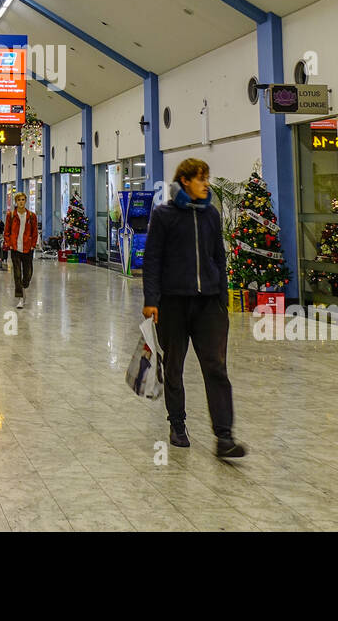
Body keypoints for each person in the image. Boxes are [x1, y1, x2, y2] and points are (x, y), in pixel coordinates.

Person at [142, 157, 245, 461]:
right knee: (174, 366)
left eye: (207, 178)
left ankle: (224, 436)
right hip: (173, 303)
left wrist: (223, 297)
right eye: (201, 178)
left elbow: (218, 257)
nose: (206, 184)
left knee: (216, 367)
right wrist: (151, 300)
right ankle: (177, 424)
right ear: (185, 180)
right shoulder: (164, 216)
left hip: (208, 304)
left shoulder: (211, 215)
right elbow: (152, 261)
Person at [3, 192, 38, 308]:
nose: (21, 202)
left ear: (26, 201)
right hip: (15, 248)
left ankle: (24, 286)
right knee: (17, 273)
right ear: (16, 201)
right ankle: (20, 298)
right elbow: (6, 231)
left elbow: (35, 232)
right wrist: (9, 243)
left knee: (28, 273)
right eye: (19, 200)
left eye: (23, 199)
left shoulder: (32, 216)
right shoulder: (11, 215)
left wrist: (33, 244)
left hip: (28, 248)